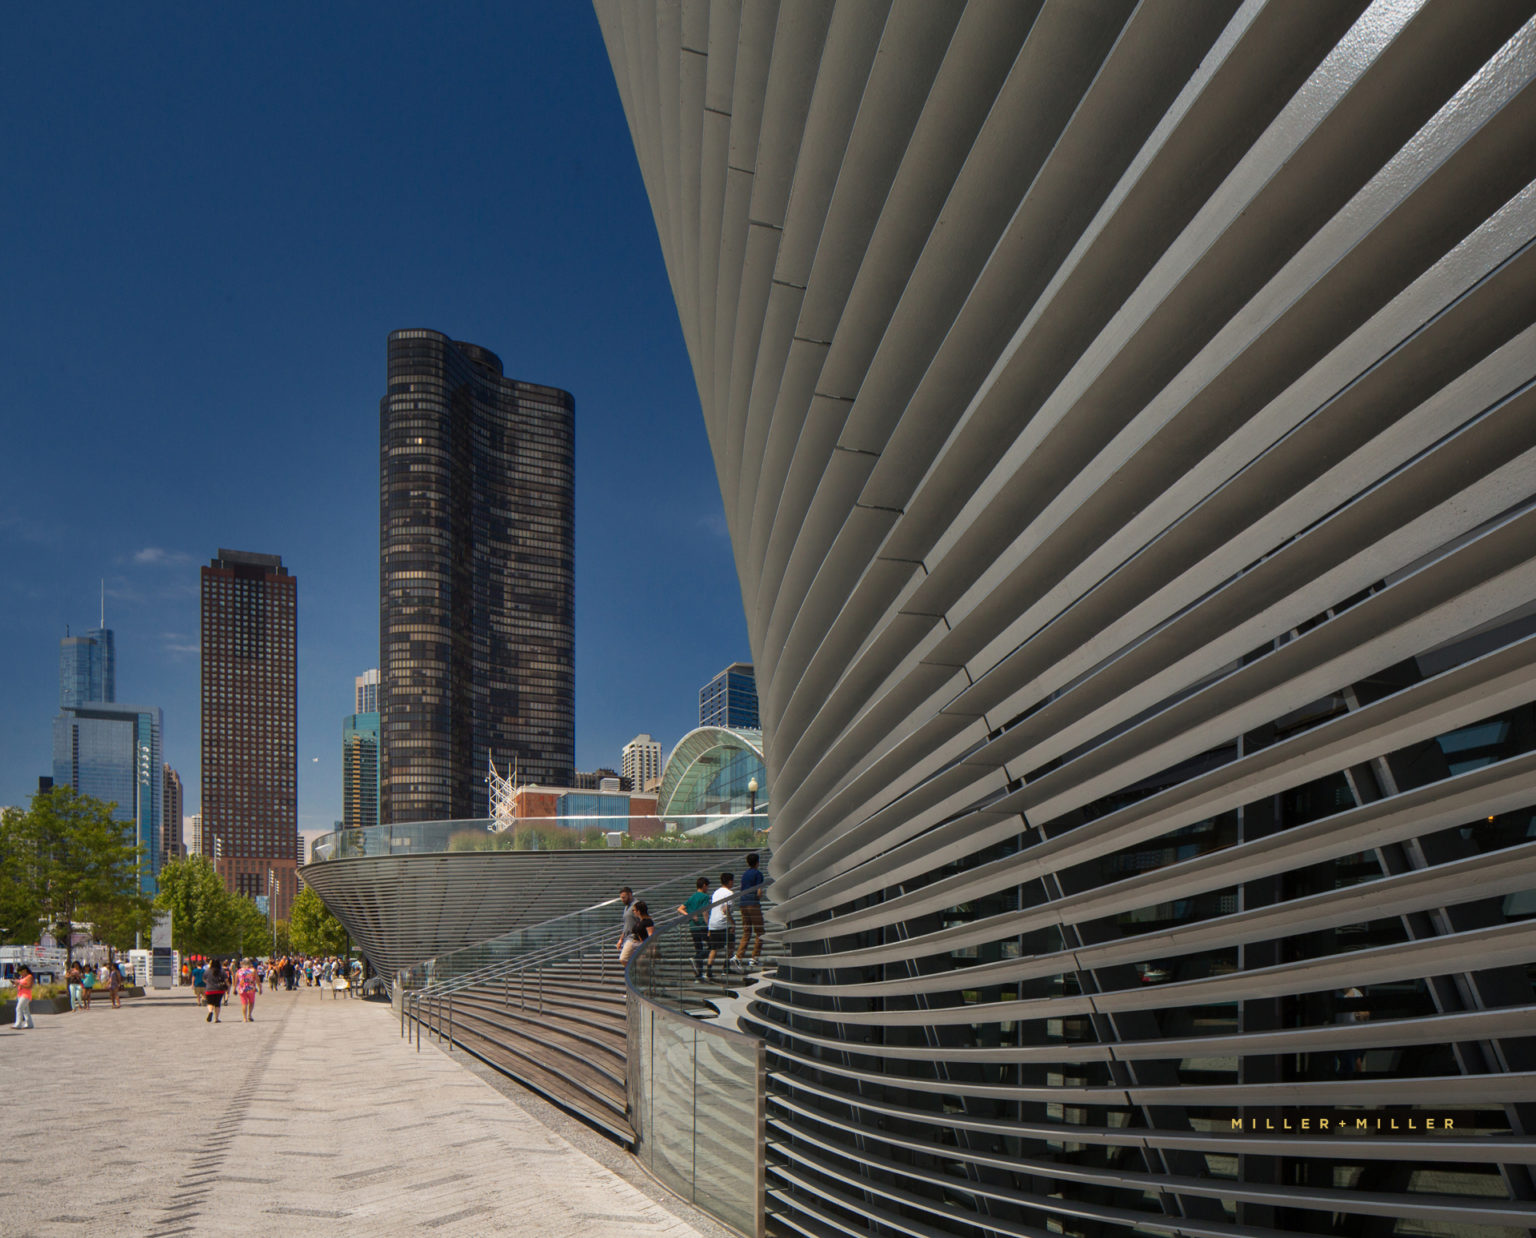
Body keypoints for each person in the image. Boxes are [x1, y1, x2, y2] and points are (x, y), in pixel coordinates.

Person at [735, 852, 767, 967]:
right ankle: (754, 957)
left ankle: (739, 956)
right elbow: (759, 891)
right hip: (753, 904)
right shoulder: (758, 874)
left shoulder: (745, 874)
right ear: (757, 862)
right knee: (760, 932)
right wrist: (759, 896)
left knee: (747, 932)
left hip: (743, 904)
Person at [678, 877, 712, 980]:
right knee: (712, 945)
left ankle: (699, 973)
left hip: (693, 926)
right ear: (704, 885)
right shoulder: (705, 897)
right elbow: (705, 912)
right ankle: (696, 959)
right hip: (702, 926)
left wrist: (690, 915)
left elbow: (679, 909)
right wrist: (709, 925)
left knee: (698, 948)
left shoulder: (692, 897)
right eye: (707, 886)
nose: (708, 888)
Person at [706, 871, 736, 981]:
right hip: (724, 924)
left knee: (714, 949)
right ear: (729, 881)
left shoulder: (716, 892)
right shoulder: (729, 893)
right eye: (732, 881)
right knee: (731, 945)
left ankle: (709, 970)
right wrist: (733, 923)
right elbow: (725, 910)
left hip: (713, 923)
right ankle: (726, 967)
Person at [619, 900, 654, 966]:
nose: (633, 912)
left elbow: (650, 935)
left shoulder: (648, 922)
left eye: (634, 910)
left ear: (639, 911)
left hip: (641, 944)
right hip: (634, 942)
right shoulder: (640, 921)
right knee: (623, 959)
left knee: (641, 964)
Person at [203, 959, 228, 1024]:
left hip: (209, 989)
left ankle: (210, 1012)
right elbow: (226, 979)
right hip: (219, 990)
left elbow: (204, 979)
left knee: (210, 1003)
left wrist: (209, 983)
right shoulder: (222, 971)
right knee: (217, 1004)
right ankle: (216, 1018)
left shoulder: (207, 971)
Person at [12, 965, 35, 1030]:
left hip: (26, 995)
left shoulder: (29, 977)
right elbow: (20, 985)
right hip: (20, 995)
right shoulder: (22, 978)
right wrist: (16, 983)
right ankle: (29, 1024)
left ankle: (18, 1024)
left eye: (21, 972)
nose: (20, 973)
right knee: (25, 1010)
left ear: (25, 970)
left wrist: (20, 984)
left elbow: (29, 986)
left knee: (18, 1008)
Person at [615, 886, 636, 955]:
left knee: (623, 959)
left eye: (623, 897)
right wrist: (621, 939)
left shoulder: (636, 905)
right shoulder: (626, 907)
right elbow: (626, 925)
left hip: (634, 937)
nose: (622, 899)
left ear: (630, 895)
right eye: (621, 897)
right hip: (627, 938)